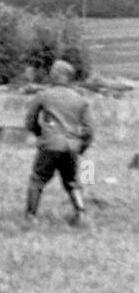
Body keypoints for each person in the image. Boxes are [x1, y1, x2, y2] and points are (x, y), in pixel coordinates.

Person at [23, 59, 93, 227]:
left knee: (37, 179)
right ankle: (81, 214)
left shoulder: (44, 95)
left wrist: (41, 134)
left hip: (50, 144)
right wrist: (81, 148)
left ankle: (31, 217)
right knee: (71, 181)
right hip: (72, 146)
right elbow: (89, 130)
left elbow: (30, 121)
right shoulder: (80, 99)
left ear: (55, 76)